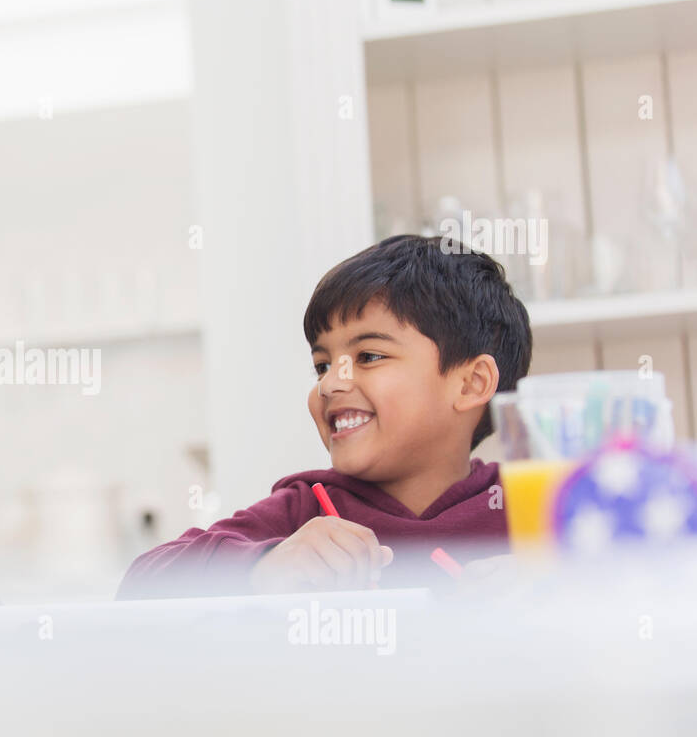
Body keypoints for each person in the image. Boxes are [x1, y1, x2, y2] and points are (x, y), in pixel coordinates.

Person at [118, 234, 532, 599]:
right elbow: (142, 583)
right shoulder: (305, 510)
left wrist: (558, 582)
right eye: (322, 365)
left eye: (369, 356)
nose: (331, 383)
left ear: (471, 384)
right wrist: (264, 565)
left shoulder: (532, 505)